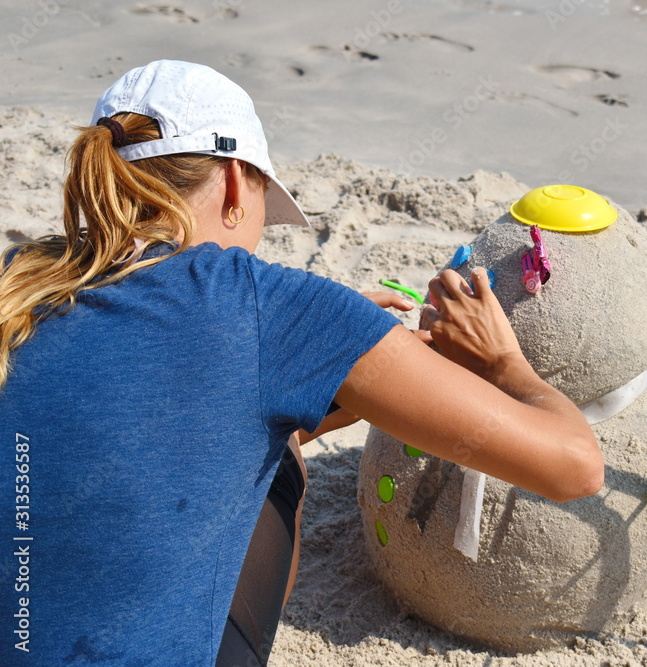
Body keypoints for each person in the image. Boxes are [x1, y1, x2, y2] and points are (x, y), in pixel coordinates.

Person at [0, 60, 603, 666]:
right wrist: (503, 364)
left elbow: (125, 400)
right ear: (237, 183)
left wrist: (314, 370)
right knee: (278, 458)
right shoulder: (266, 306)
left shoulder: (19, 278)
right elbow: (575, 468)